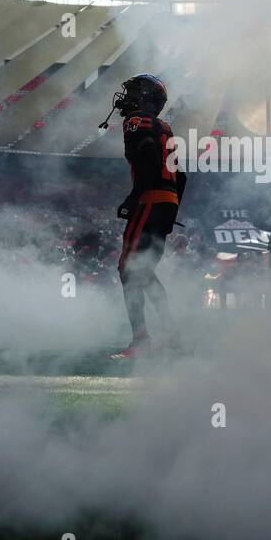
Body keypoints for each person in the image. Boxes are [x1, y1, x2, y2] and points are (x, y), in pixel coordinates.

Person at [106, 74, 187, 359]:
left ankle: (141, 342)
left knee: (128, 270)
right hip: (167, 201)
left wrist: (135, 196)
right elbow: (182, 175)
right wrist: (172, 208)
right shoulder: (165, 126)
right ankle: (172, 335)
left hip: (150, 199)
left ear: (146, 98)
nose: (127, 97)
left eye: (134, 92)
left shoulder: (136, 121)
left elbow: (148, 156)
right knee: (143, 271)